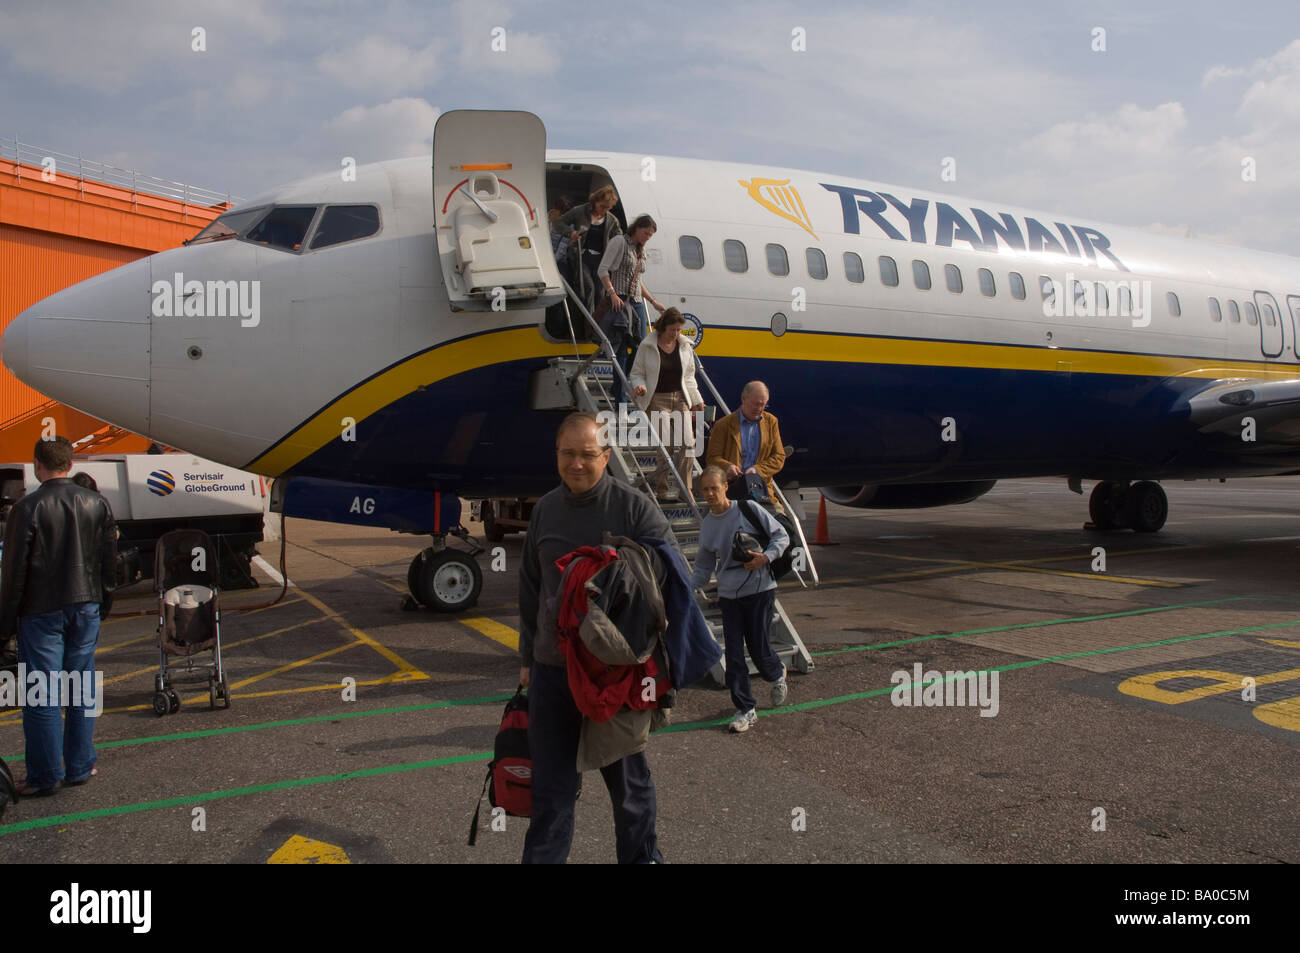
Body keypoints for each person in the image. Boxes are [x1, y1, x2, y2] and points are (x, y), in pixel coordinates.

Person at [518, 412, 672, 863]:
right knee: (551, 793)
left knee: (629, 790)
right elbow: (530, 587)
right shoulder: (545, 509)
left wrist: (620, 566)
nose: (577, 464)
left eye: (588, 454)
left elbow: (668, 576)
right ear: (557, 455)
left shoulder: (633, 507)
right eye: (568, 454)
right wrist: (527, 657)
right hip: (553, 671)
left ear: (606, 456)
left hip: (613, 675)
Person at [0, 437, 116, 795]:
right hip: (86, 605)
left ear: (38, 465)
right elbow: (108, 561)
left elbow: (14, 572)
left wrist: (4, 626)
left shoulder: (27, 508)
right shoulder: (98, 503)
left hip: (42, 610)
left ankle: (45, 775)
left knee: (43, 694)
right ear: (69, 462)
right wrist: (103, 602)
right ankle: (80, 766)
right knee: (80, 688)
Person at [690, 465, 788, 733]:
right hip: (729, 595)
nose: (710, 493)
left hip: (760, 589)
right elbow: (703, 567)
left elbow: (782, 536)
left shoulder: (747, 509)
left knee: (759, 650)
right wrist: (686, 590)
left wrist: (766, 557)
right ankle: (745, 708)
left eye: (714, 488)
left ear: (725, 487)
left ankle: (776, 673)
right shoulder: (708, 525)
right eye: (705, 489)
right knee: (733, 655)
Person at [629, 308, 705, 502]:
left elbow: (689, 377)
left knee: (689, 444)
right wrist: (640, 386)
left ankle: (685, 489)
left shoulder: (685, 346)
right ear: (662, 328)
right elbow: (636, 373)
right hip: (657, 400)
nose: (676, 334)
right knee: (667, 445)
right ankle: (662, 489)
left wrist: (696, 400)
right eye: (673, 330)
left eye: (679, 330)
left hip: (679, 399)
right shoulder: (647, 346)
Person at [597, 213, 668, 390]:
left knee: (641, 345)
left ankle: (620, 383)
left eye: (650, 235)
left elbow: (637, 281)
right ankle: (619, 393)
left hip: (637, 302)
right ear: (636, 228)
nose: (647, 238)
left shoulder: (640, 250)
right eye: (645, 233)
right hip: (620, 301)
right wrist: (612, 293)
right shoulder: (620, 242)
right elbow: (603, 270)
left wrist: (652, 301)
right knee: (621, 347)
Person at [707, 380, 787, 509]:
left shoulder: (771, 422)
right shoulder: (723, 425)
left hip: (761, 491)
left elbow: (779, 456)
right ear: (743, 399)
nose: (759, 409)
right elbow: (712, 458)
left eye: (763, 405)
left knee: (782, 525)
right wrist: (728, 467)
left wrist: (756, 471)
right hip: (732, 492)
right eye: (755, 404)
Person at [559, 185, 621, 313]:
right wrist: (571, 233)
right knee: (588, 287)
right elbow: (558, 223)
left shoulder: (612, 220)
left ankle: (597, 321)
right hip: (581, 256)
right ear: (595, 201)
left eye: (607, 208)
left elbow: (619, 238)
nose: (603, 210)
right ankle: (589, 323)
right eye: (602, 206)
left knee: (600, 290)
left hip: (600, 259)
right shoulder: (579, 211)